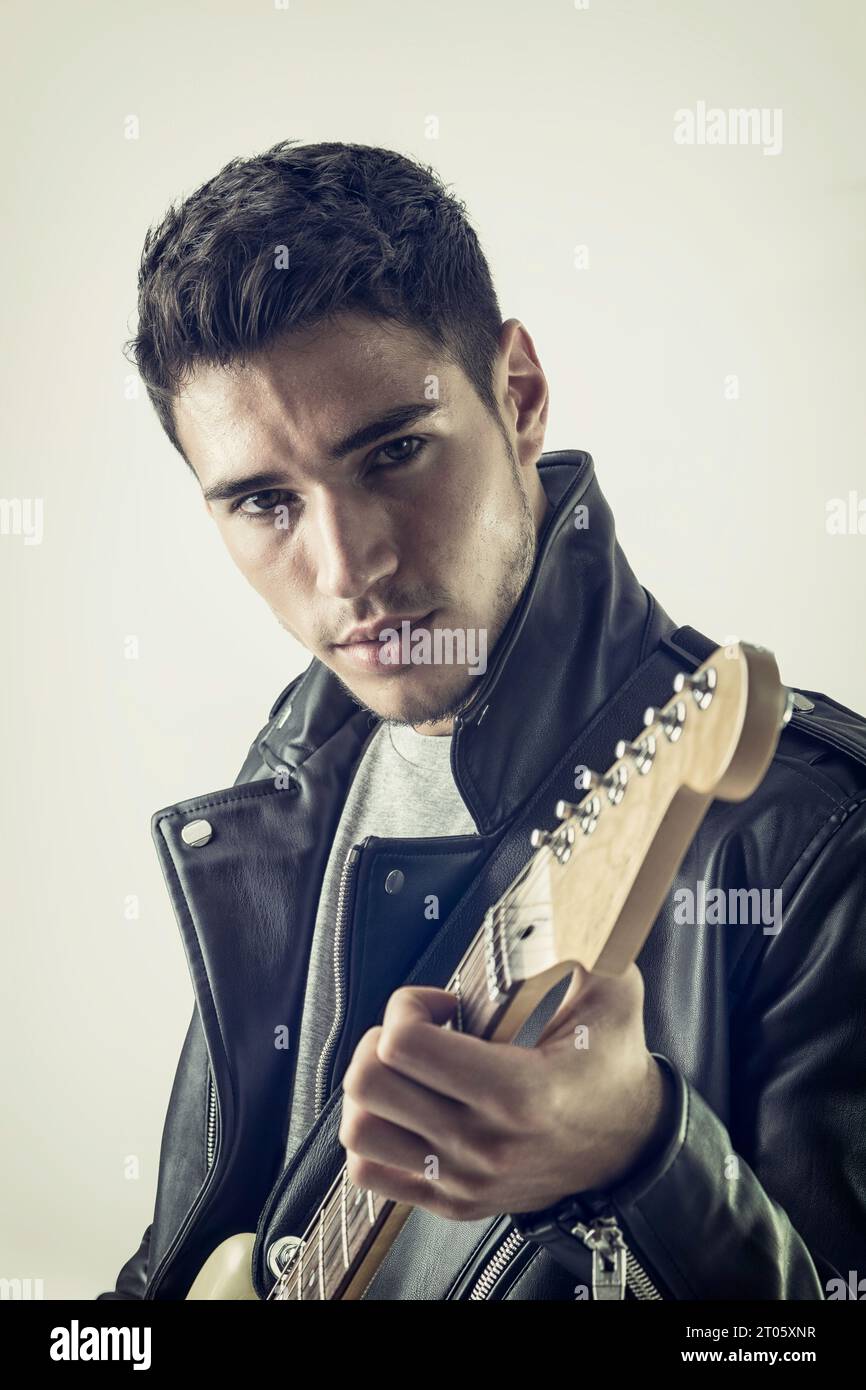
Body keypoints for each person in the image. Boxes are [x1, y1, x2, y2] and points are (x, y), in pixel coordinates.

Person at [98, 140, 866, 1301]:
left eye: (393, 451)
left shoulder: (810, 837)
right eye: (265, 502)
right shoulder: (299, 760)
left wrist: (647, 1161)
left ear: (515, 396)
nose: (348, 566)